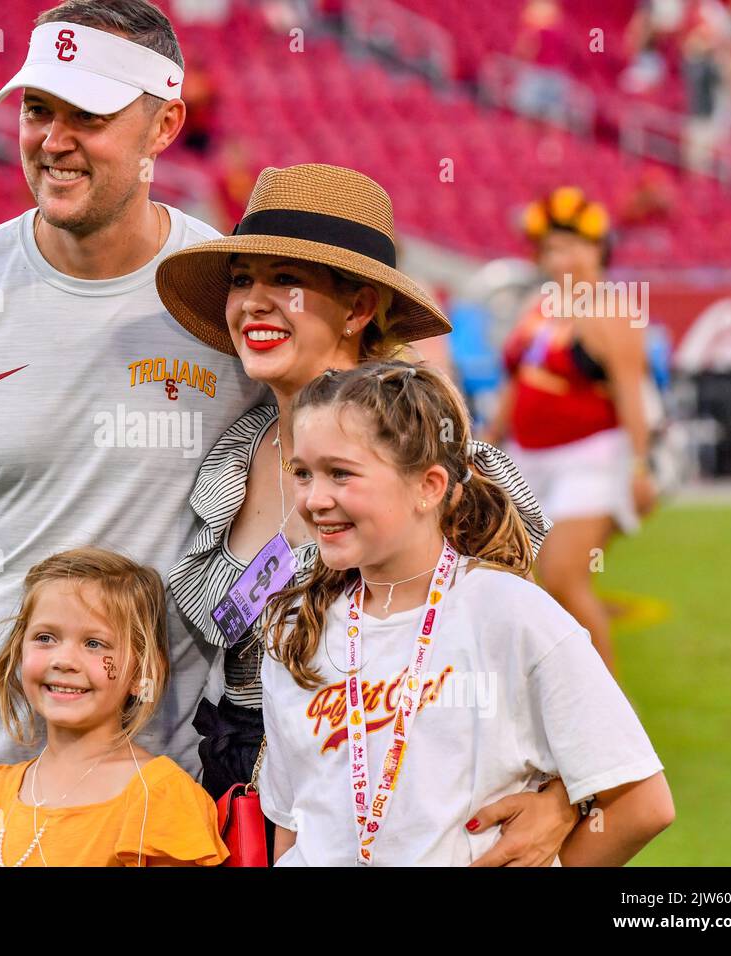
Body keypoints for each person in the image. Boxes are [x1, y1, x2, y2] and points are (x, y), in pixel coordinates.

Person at [0, 0, 265, 867]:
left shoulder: (230, 301)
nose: (54, 139)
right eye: (39, 109)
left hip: (154, 812)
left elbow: (373, 440)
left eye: (90, 115)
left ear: (166, 124)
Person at [157, 163, 575, 864]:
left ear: (357, 310)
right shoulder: (234, 454)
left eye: (285, 279)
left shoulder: (428, 460)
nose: (254, 303)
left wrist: (565, 798)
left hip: (394, 786)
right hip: (244, 800)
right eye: (241, 279)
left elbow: (537, 647)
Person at [260, 361, 674, 866]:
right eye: (302, 473)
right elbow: (291, 824)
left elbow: (641, 802)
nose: (314, 499)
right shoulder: (293, 627)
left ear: (429, 487)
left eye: (340, 473)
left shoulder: (512, 615)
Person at [0, 549, 228, 866]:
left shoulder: (161, 797)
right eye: (45, 637)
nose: (64, 661)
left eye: (94, 643)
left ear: (141, 673)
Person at [487, 187, 655, 676]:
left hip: (591, 459)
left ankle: (609, 715)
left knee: (563, 575)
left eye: (569, 246)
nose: (558, 258)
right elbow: (515, 384)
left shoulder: (613, 310)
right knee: (520, 581)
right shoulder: (536, 307)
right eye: (550, 249)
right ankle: (551, 696)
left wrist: (640, 466)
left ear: (597, 249)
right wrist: (487, 442)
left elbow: (630, 393)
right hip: (525, 461)